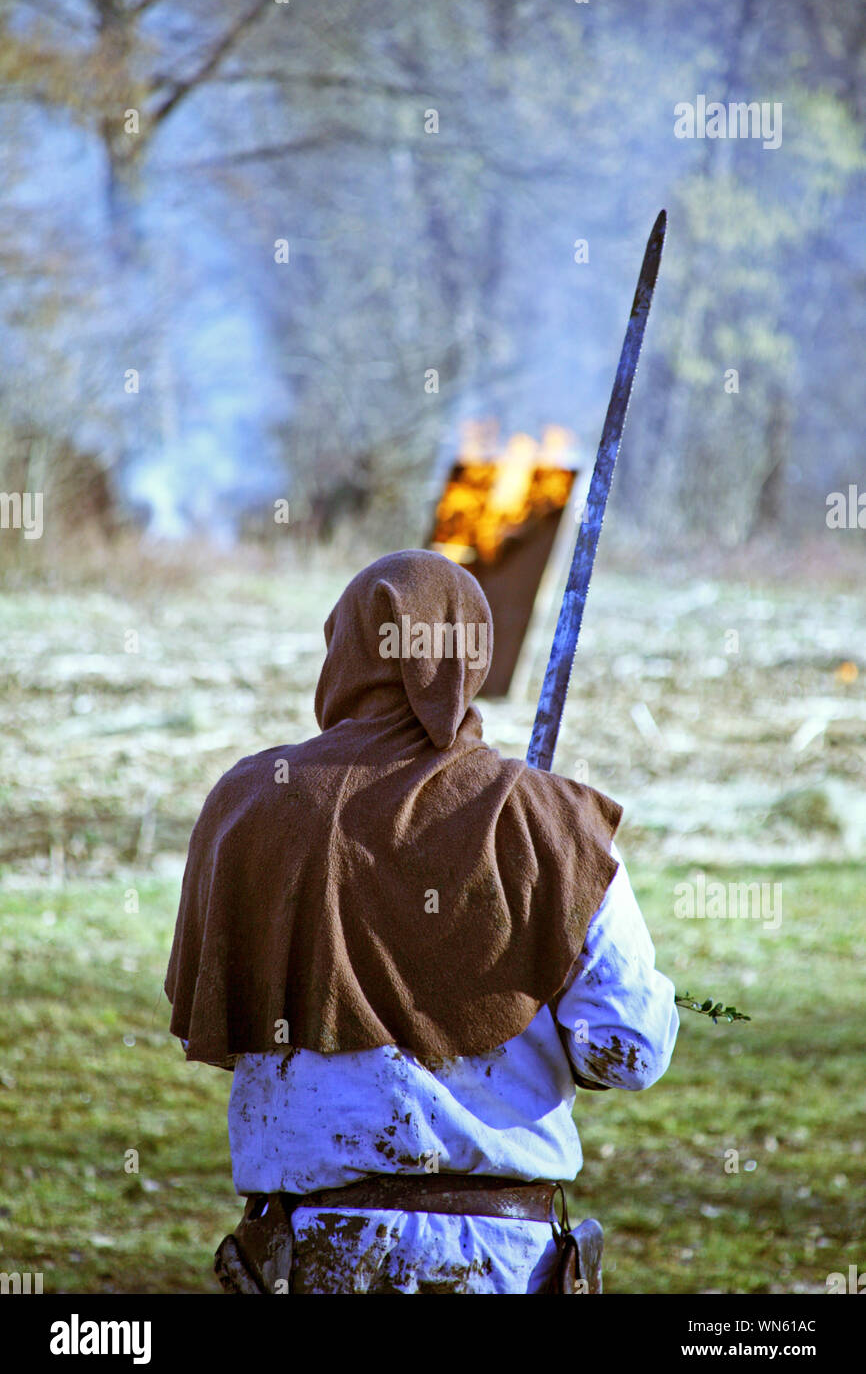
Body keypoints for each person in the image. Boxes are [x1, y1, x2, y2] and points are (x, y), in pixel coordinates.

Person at [165, 549, 678, 1294]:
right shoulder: (548, 820)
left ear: (341, 652)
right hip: (498, 1261)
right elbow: (627, 1049)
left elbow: (201, 1026)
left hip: (311, 1252)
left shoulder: (247, 806)